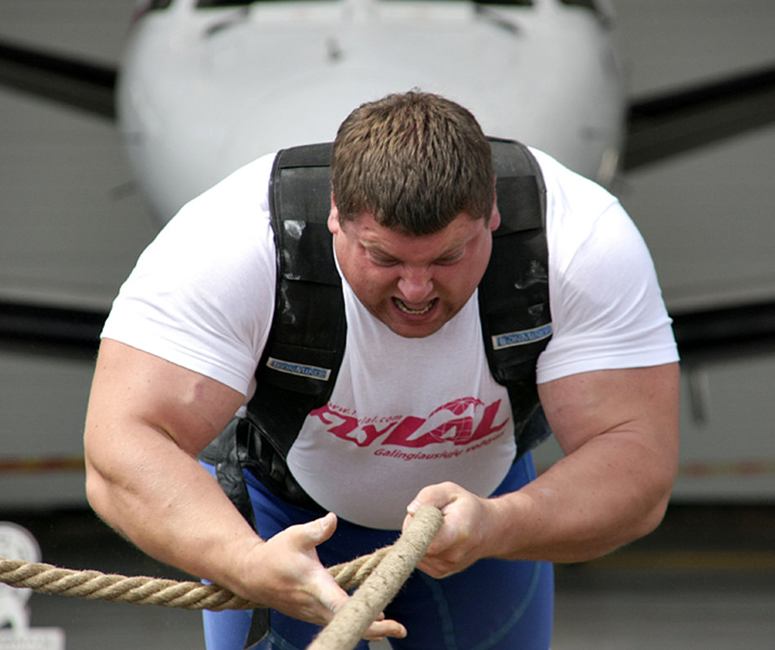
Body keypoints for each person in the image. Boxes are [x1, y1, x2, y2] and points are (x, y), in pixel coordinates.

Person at [84, 91, 679, 650]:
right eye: (384, 257)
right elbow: (122, 445)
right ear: (335, 216)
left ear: (493, 213)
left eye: (448, 256)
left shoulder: (579, 239)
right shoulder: (229, 241)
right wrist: (245, 562)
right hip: (278, 522)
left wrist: (499, 524)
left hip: (482, 518)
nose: (416, 290)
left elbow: (638, 462)